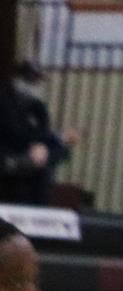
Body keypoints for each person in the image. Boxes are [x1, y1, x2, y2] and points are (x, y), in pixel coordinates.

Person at [0, 63, 72, 207]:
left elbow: (42, 133)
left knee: (60, 151)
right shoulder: (4, 101)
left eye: (37, 81)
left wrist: (45, 147)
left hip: (32, 157)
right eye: (30, 80)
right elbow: (15, 133)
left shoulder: (38, 107)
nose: (35, 85)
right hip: (9, 154)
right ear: (17, 79)